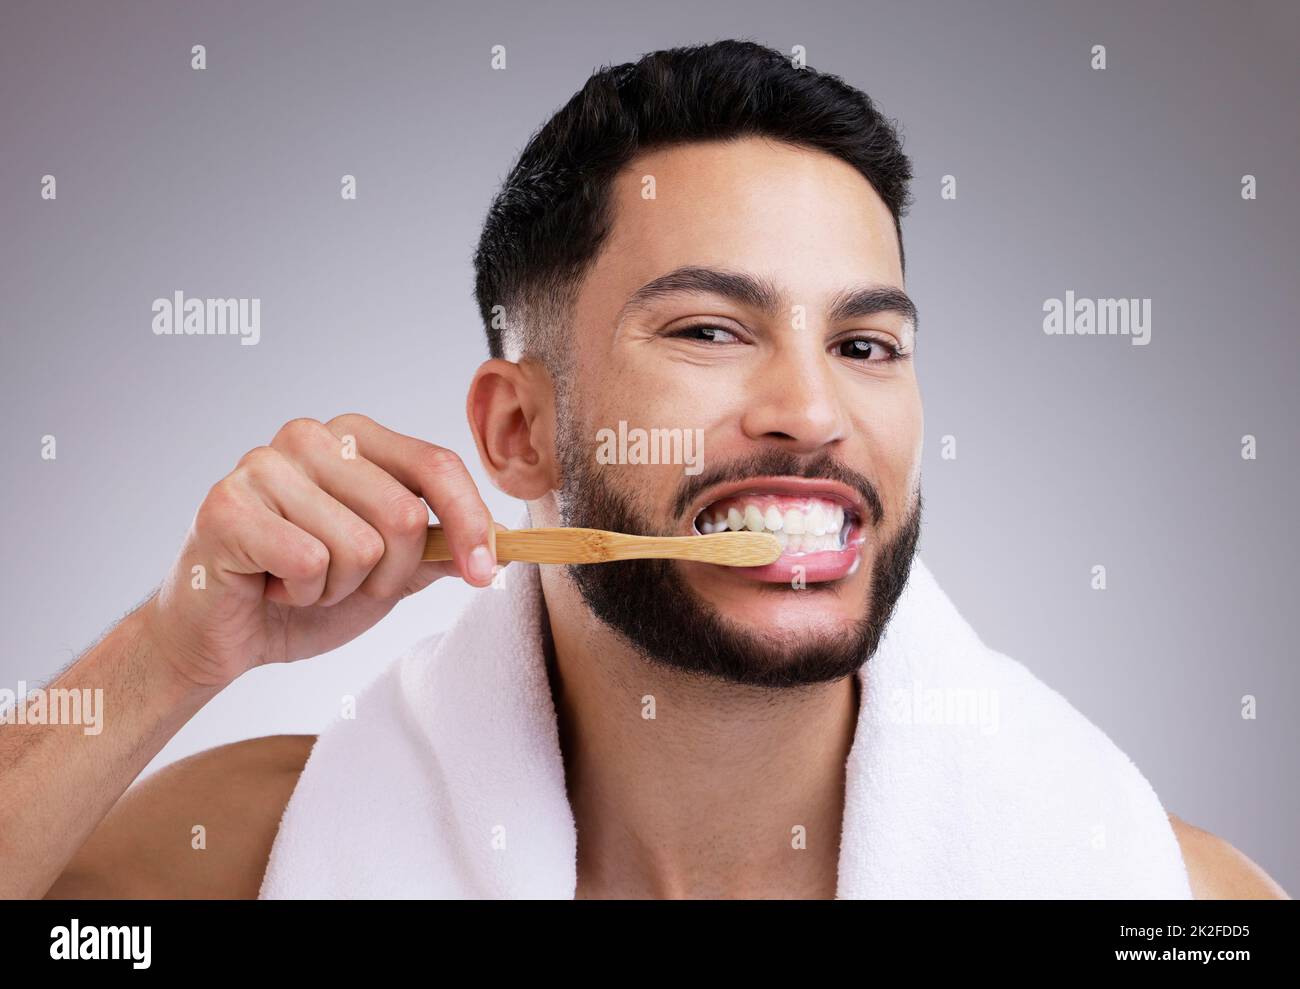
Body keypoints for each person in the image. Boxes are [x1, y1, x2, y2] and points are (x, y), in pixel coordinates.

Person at [4, 40, 1286, 900]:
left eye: (863, 341)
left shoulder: (1153, 897)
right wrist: (167, 660)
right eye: (710, 330)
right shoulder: (238, 858)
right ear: (518, 433)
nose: (811, 410)